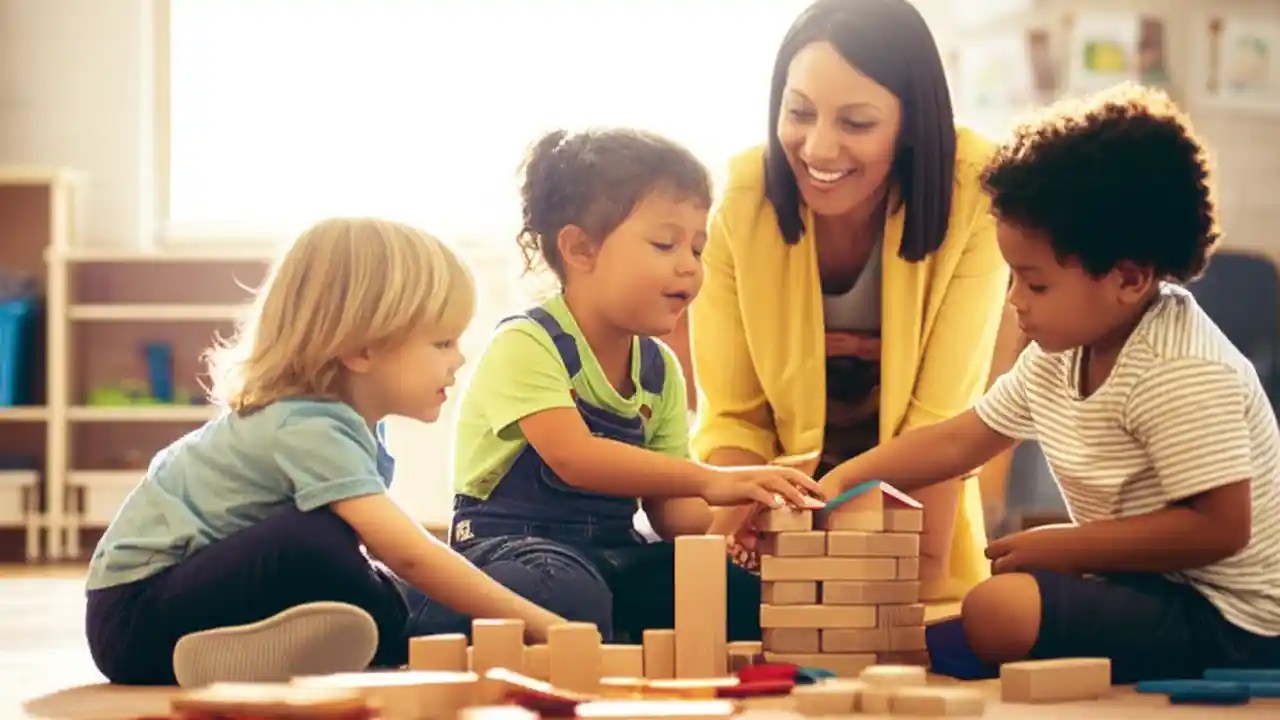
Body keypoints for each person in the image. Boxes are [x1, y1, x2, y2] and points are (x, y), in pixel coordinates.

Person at [819, 83, 1280, 682]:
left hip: (1235, 624)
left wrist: (1071, 545)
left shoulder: (1182, 368)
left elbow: (1220, 527)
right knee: (998, 602)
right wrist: (843, 479)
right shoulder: (1059, 353)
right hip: (1151, 590)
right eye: (1013, 278)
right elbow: (963, 439)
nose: (1016, 302)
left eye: (1035, 284)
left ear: (1130, 278)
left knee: (997, 606)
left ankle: (969, 646)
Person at [84, 218, 567, 687]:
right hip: (134, 619)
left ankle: (266, 648)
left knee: (349, 564)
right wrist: (544, 625)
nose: (458, 359)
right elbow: (409, 555)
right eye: (442, 342)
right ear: (361, 350)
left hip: (174, 603)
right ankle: (392, 635)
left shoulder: (349, 427)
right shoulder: (305, 424)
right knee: (317, 542)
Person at [448, 127, 825, 643]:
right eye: (665, 244)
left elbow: (673, 515)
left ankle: (615, 636)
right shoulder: (528, 343)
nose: (689, 267)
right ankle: (430, 606)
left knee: (733, 592)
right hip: (510, 546)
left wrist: (738, 513)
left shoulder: (659, 370)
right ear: (580, 249)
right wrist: (710, 478)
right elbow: (574, 458)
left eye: (697, 248)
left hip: (612, 553)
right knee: (562, 592)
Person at [688, 0, 1010, 601]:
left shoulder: (974, 190)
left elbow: (940, 420)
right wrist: (720, 560)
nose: (818, 149)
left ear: (911, 124)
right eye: (799, 112)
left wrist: (920, 571)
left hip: (914, 510)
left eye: (856, 123)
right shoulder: (742, 199)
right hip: (777, 521)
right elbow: (736, 415)